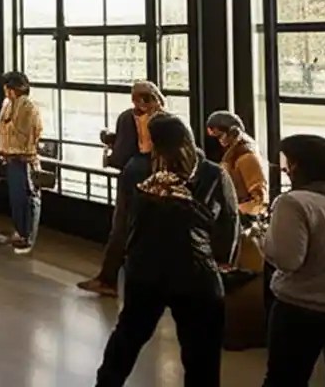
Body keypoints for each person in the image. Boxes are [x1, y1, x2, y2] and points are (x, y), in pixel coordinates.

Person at [95, 114, 239, 387]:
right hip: (196, 273)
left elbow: (123, 223)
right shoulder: (212, 173)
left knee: (127, 340)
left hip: (144, 270)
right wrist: (221, 260)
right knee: (202, 355)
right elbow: (228, 224)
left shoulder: (136, 170)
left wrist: (118, 263)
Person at [78, 81, 167, 297]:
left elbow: (122, 153)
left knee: (121, 227)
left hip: (134, 172)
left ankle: (108, 279)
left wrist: (112, 152)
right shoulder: (167, 119)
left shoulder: (128, 117)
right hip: (161, 179)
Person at [261, 134, 325, 387]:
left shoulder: (295, 202)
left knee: (285, 379)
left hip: (299, 310)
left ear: (299, 166)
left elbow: (288, 260)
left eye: (287, 164)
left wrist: (264, 239)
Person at [0, 71, 44, 255]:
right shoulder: (8, 105)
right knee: (16, 199)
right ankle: (20, 231)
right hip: (11, 158)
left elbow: (28, 133)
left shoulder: (29, 107)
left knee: (29, 198)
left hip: (25, 158)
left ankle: (28, 237)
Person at [206, 111, 268, 219]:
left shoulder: (246, 157)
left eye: (220, 136)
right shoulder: (230, 155)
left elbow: (259, 200)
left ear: (233, 132)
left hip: (244, 220)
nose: (219, 141)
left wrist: (234, 212)